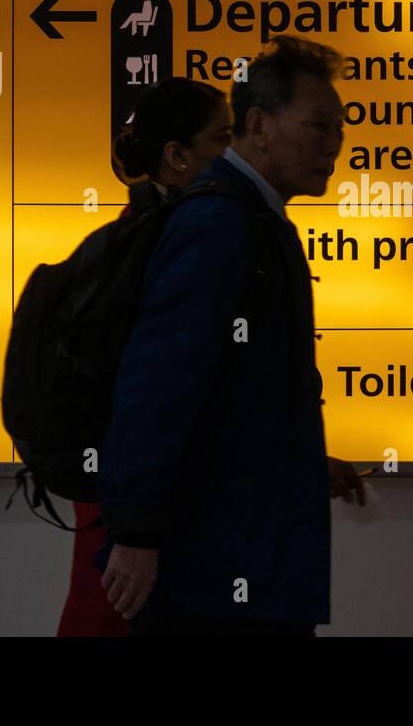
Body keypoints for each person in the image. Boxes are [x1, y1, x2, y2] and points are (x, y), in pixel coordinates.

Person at [98, 35, 367, 637]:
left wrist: (299, 462)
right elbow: (160, 380)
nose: (336, 142)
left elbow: (237, 391)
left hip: (244, 560)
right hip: (215, 574)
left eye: (340, 127)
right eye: (319, 125)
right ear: (258, 124)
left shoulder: (255, 219)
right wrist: (137, 534)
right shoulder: (219, 222)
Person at [56, 76, 232, 638]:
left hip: (121, 494)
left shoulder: (132, 240)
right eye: (222, 138)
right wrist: (138, 531)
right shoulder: (174, 247)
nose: (237, 153)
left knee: (99, 616)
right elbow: (159, 390)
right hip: (145, 501)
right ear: (177, 156)